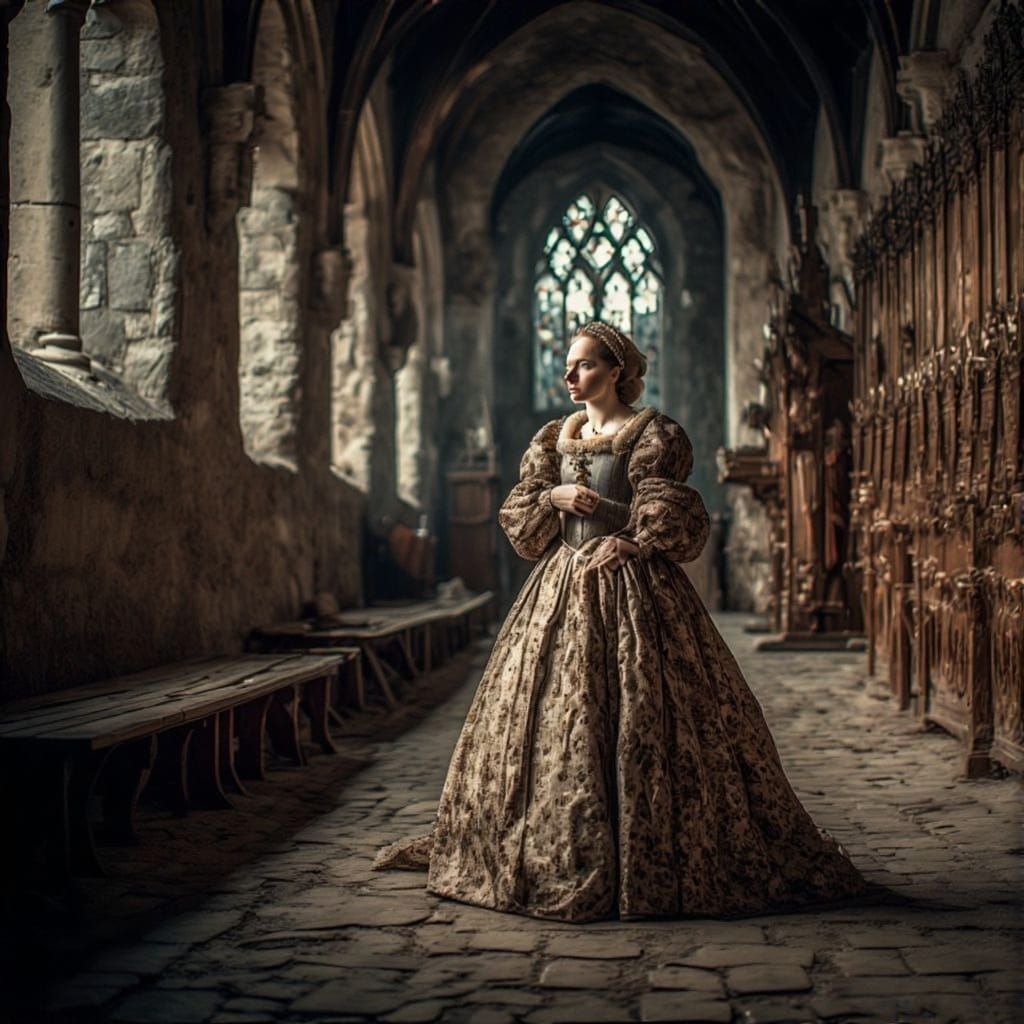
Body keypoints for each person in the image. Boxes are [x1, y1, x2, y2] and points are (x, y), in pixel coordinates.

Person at [373, 320, 868, 922]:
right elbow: (524, 513)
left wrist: (630, 539)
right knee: (555, 712)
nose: (570, 376)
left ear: (616, 370)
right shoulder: (556, 437)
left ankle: (645, 849)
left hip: (632, 584)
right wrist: (555, 499)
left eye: (582, 365)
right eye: (568, 365)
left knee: (641, 714)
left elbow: (671, 508)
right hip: (560, 584)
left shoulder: (652, 433)